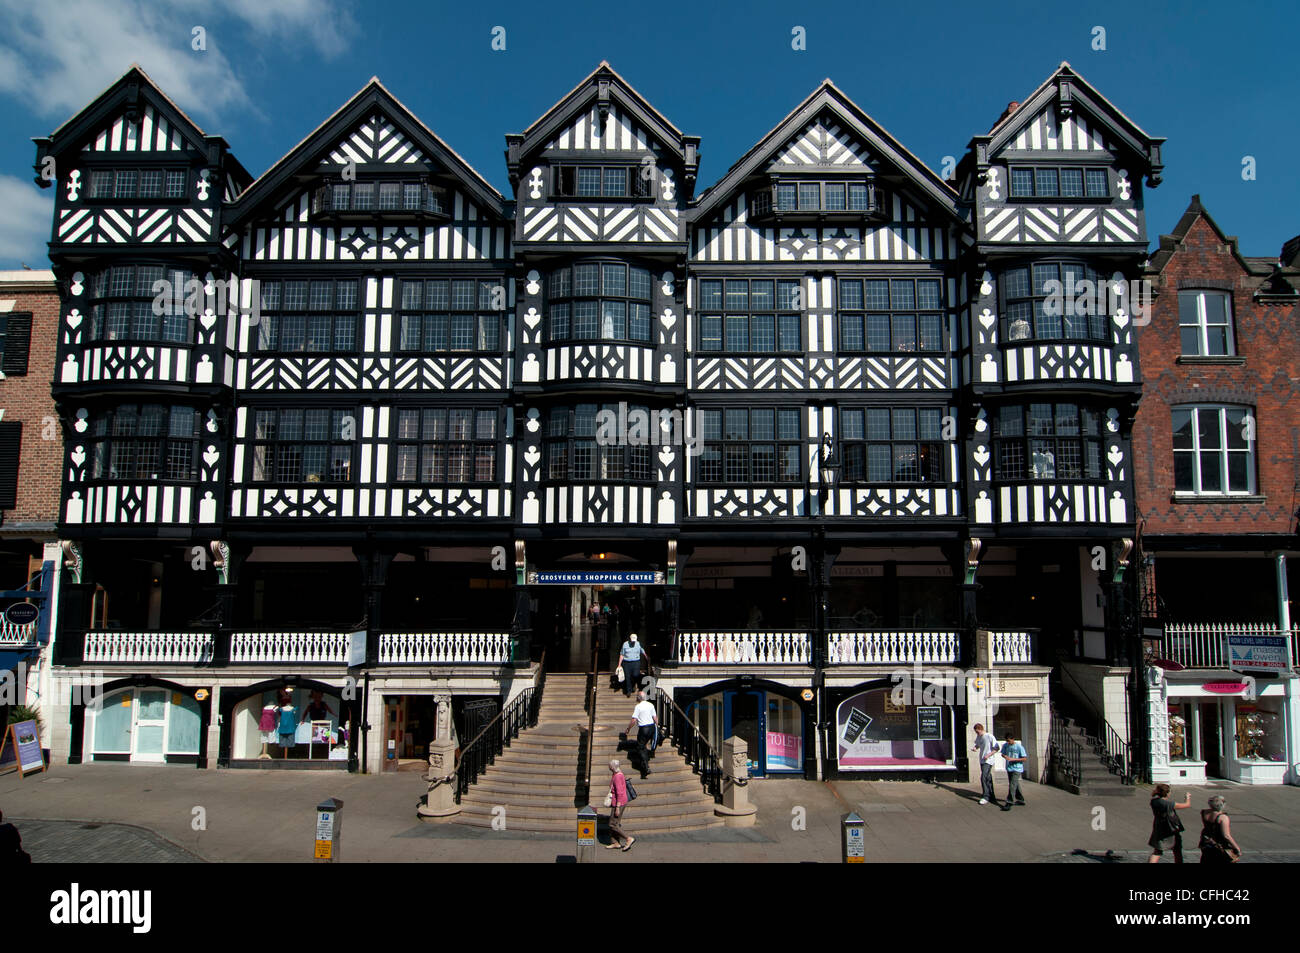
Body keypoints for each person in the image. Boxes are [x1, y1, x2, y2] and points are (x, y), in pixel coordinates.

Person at [1147, 784, 1191, 863]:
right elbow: (1186, 805)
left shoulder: (1154, 801)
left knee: (1157, 851)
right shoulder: (1168, 804)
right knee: (1177, 850)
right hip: (1170, 829)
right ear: (1167, 793)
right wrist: (1187, 798)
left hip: (1159, 827)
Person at [1198, 795, 1242, 864]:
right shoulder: (1223, 817)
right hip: (1218, 845)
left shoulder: (1204, 812)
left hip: (1206, 841)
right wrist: (1236, 848)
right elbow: (1226, 835)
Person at [626, 690, 658, 779]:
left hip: (644, 729)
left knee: (640, 747)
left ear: (639, 698)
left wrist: (628, 728)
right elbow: (655, 718)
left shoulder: (638, 707)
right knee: (646, 743)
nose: (636, 697)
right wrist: (656, 728)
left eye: (637, 696)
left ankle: (645, 766)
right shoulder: (650, 705)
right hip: (651, 727)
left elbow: (634, 720)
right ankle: (651, 752)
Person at [605, 759, 635, 852]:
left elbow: (619, 792)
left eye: (609, 765)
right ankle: (615, 843)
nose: (608, 767)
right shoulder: (618, 773)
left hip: (619, 802)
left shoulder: (617, 776)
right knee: (614, 823)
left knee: (612, 824)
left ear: (612, 767)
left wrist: (617, 807)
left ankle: (628, 838)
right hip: (620, 801)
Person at [971, 723, 1000, 805]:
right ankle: (992, 796)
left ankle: (986, 796)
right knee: (988, 778)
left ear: (980, 729)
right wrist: (975, 748)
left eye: (977, 732)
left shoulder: (989, 736)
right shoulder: (979, 737)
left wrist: (988, 755)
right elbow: (978, 744)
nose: (977, 734)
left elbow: (997, 748)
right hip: (982, 760)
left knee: (983, 777)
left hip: (988, 760)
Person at [1000, 732, 1027, 810]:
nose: (1008, 742)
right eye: (1007, 741)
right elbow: (1002, 754)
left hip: (1017, 768)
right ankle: (1021, 799)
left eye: (1009, 741)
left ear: (1013, 739)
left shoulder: (1019, 747)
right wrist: (1005, 756)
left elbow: (1024, 758)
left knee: (1012, 785)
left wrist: (1013, 759)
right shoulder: (1005, 745)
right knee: (1015, 784)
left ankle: (1009, 801)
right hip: (1009, 768)